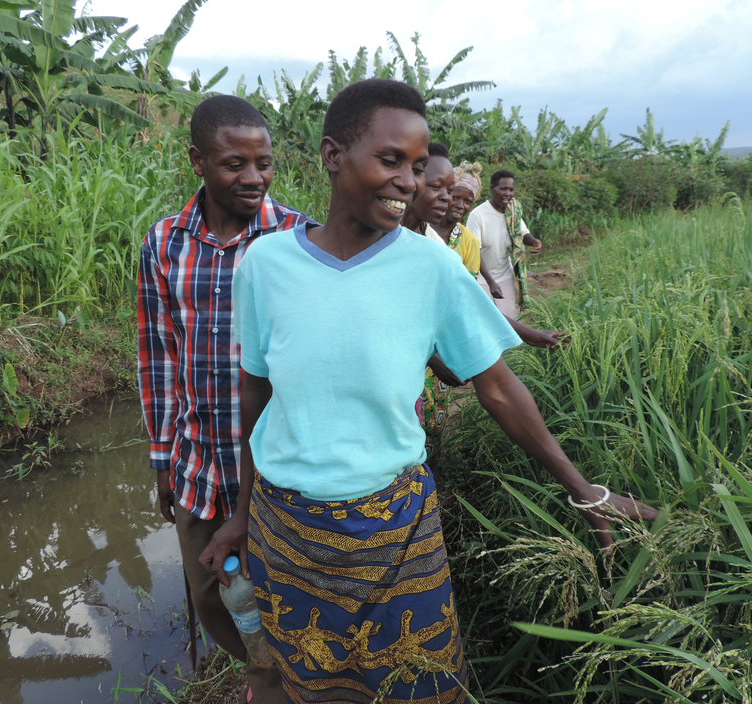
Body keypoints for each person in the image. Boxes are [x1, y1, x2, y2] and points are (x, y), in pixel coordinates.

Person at [203, 79, 657, 703]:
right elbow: (255, 398)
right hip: (289, 533)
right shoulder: (265, 265)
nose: (408, 183)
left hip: (398, 531)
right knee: (317, 685)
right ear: (333, 155)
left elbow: (496, 388)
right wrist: (240, 512)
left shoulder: (432, 267)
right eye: (390, 161)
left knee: (421, 687)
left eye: (416, 167)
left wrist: (585, 492)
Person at [137, 95, 310, 704]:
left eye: (264, 163)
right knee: (214, 598)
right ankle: (261, 671)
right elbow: (158, 358)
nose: (254, 178)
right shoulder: (163, 244)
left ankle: (279, 685)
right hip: (197, 461)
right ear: (198, 161)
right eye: (235, 164)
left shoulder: (297, 238)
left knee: (285, 595)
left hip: (276, 466)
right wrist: (163, 463)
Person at [402, 145, 566, 456]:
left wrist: (529, 334)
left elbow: (469, 297)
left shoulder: (440, 245)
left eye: (455, 193)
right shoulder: (381, 238)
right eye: (439, 188)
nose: (452, 201)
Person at [467, 169, 542, 318]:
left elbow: (523, 233)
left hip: (504, 274)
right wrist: (490, 282)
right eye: (503, 189)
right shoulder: (478, 215)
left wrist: (534, 241)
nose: (508, 193)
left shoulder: (512, 212)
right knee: (487, 320)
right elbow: (474, 252)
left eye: (511, 189)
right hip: (481, 277)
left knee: (511, 318)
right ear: (492, 188)